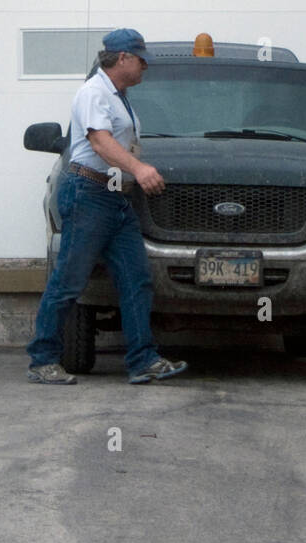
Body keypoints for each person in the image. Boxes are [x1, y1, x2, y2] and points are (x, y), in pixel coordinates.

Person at [26, 28, 188, 385]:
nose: (146, 66)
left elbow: (118, 143)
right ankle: (42, 359)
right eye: (142, 59)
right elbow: (100, 142)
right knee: (69, 281)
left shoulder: (119, 95)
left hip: (114, 198)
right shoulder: (93, 93)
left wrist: (133, 170)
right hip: (88, 194)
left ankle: (142, 360)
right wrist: (140, 169)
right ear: (123, 58)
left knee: (136, 280)